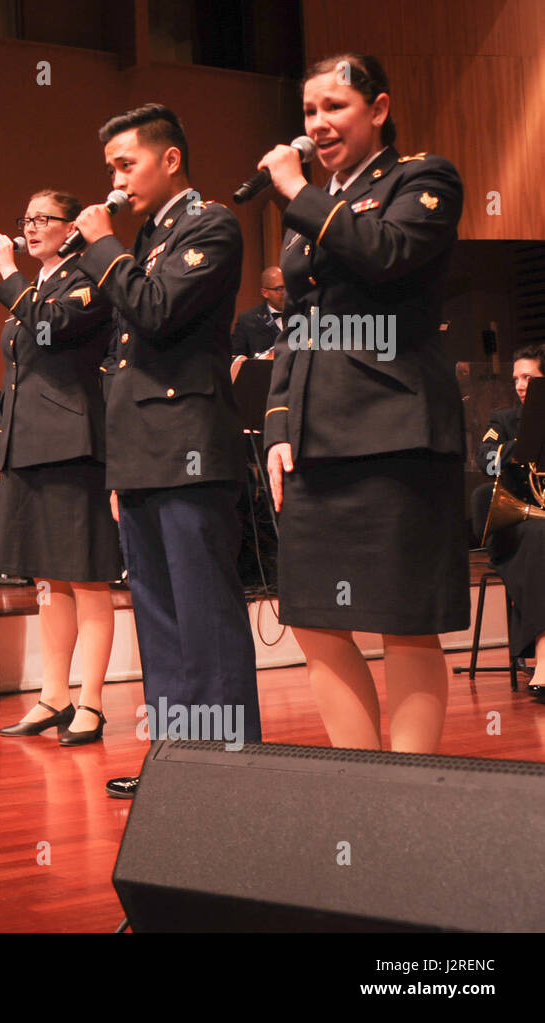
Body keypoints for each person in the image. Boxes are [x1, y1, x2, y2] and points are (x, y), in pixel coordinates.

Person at [260, 53, 468, 752]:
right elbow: (299, 323)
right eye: (309, 111)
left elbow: (386, 253)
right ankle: (360, 782)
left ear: (377, 109)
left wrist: (298, 191)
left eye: (335, 107)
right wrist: (278, 426)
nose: (317, 124)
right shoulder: (308, 207)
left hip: (395, 429)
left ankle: (408, 797)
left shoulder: (423, 177)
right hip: (318, 439)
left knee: (404, 621)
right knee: (316, 619)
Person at [73, 103, 260, 795]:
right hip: (142, 452)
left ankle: (231, 769)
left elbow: (154, 309)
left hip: (188, 448)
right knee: (157, 617)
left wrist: (101, 245)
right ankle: (180, 765)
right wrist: (119, 466)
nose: (115, 182)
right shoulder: (145, 235)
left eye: (125, 164)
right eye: (111, 170)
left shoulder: (210, 223)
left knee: (204, 612)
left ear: (170, 158)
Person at [0, 190, 119, 746]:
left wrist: (6, 272)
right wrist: (3, 446)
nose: (32, 227)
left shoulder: (88, 278)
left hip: (71, 442)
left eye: (44, 219)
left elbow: (50, 326)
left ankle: (92, 703)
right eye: (27, 218)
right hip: (27, 444)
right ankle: (53, 695)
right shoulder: (36, 287)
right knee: (46, 578)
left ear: (70, 230)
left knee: (86, 575)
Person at [477, 344, 545, 694]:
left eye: (528, 377)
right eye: (516, 377)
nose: (520, 384)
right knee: (539, 538)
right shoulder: (503, 420)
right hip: (515, 523)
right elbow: (484, 459)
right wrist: (521, 444)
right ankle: (544, 658)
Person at [230, 266, 285, 360]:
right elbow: (236, 359)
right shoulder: (247, 321)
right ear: (265, 293)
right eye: (279, 289)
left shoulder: (303, 314)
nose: (286, 293)